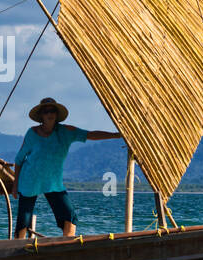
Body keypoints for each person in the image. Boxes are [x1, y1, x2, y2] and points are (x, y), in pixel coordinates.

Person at [13, 97, 122, 238]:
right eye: (46, 111)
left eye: (52, 110)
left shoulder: (66, 132)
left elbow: (90, 135)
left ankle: (66, 246)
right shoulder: (32, 133)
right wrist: (15, 185)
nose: (49, 114)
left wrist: (115, 135)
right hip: (29, 180)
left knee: (70, 217)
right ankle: (19, 251)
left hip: (53, 183)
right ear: (41, 116)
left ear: (57, 114)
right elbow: (19, 159)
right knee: (23, 222)